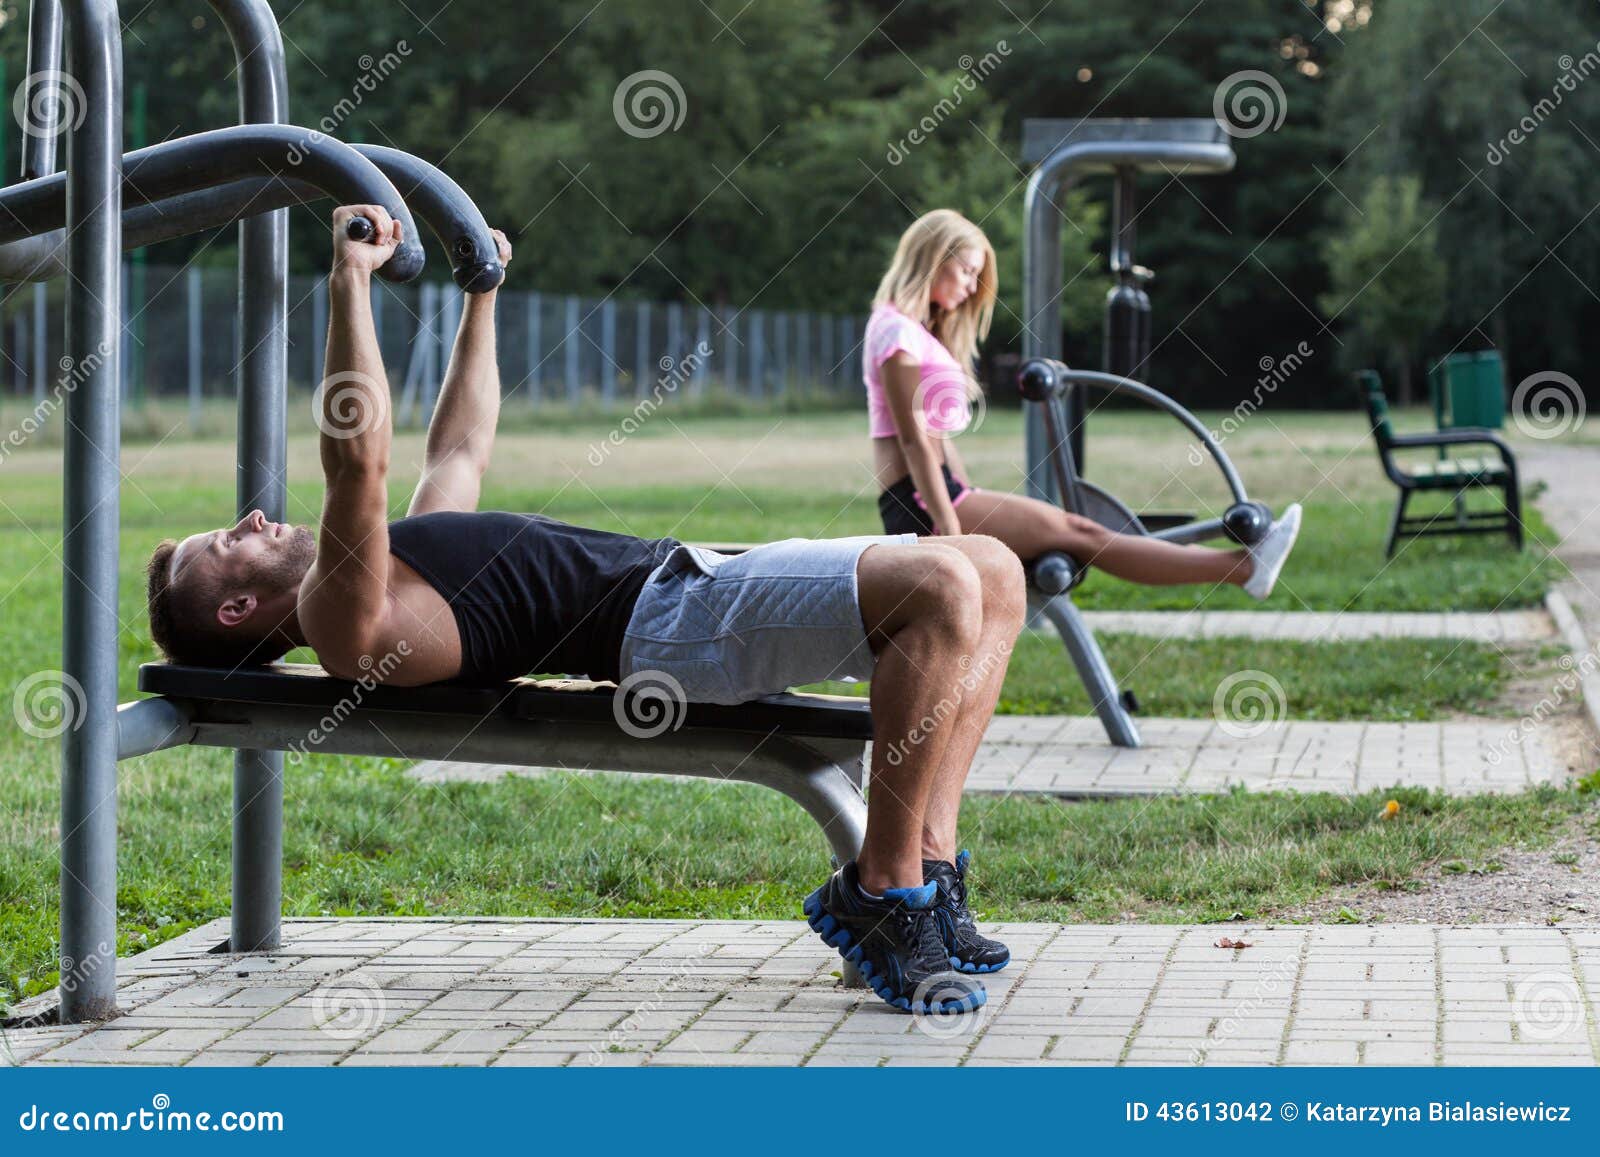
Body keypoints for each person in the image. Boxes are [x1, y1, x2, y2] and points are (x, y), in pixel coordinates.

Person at [144, 206, 1023, 1014]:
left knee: (994, 570)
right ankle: (883, 888)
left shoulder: (404, 560)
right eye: (229, 543)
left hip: (688, 582)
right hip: (674, 630)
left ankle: (931, 869)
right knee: (944, 591)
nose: (253, 519)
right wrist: (349, 279)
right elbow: (357, 465)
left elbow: (458, 442)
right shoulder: (346, 624)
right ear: (239, 612)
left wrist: (481, 295)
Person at [865, 208, 1301, 596]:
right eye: (964, 271)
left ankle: (1243, 568)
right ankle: (1243, 569)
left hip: (939, 493)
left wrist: (966, 494)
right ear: (930, 258)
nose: (971, 286)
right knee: (1081, 531)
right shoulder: (897, 335)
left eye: (977, 275)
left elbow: (937, 442)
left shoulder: (911, 331)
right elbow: (914, 441)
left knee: (1079, 531)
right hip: (920, 502)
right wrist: (953, 530)